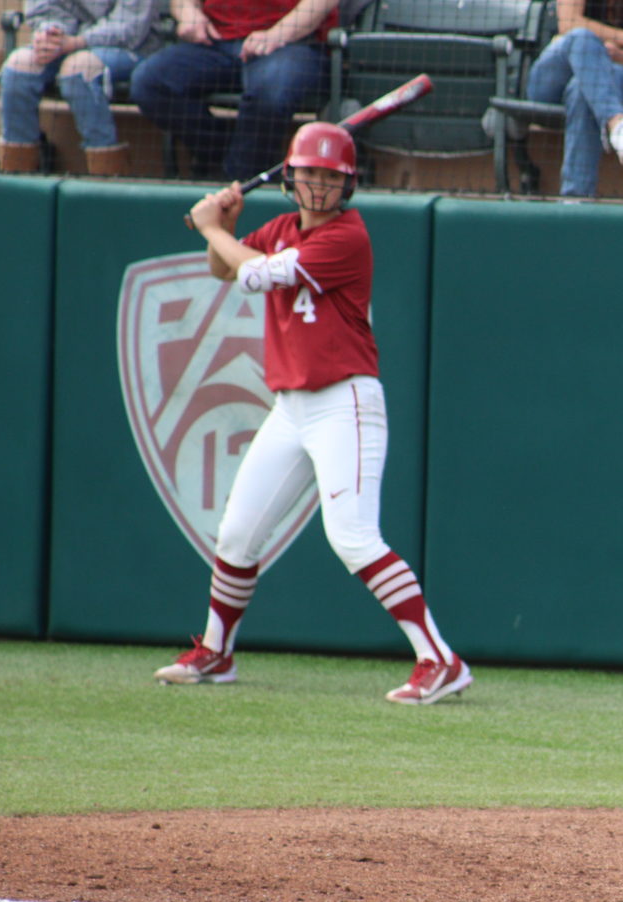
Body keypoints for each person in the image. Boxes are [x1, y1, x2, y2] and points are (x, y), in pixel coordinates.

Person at [155, 122, 471, 707]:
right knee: (237, 531)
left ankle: (440, 658)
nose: (319, 187)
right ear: (292, 179)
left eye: (330, 177)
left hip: (344, 403)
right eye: (309, 175)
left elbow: (253, 274)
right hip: (291, 405)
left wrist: (208, 226)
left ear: (347, 185)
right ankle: (217, 652)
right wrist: (220, 228)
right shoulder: (280, 227)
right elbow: (222, 267)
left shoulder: (348, 237)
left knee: (353, 538)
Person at [130, 0, 337, 181]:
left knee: (269, 94)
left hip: (292, 44)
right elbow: (183, 2)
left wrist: (277, 35)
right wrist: (189, 14)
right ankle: (223, 157)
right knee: (149, 82)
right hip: (216, 41)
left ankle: (236, 182)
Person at [0, 0, 166, 175]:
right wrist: (52, 32)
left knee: (79, 69)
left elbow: (131, 28)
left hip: (130, 48)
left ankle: (107, 178)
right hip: (66, 43)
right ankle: (18, 175)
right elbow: (46, 9)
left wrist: (79, 41)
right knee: (18, 66)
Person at [525, 0, 623, 197]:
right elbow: (569, 22)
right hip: (556, 76)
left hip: (621, 72)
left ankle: (575, 203)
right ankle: (617, 122)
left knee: (582, 89)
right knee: (583, 38)